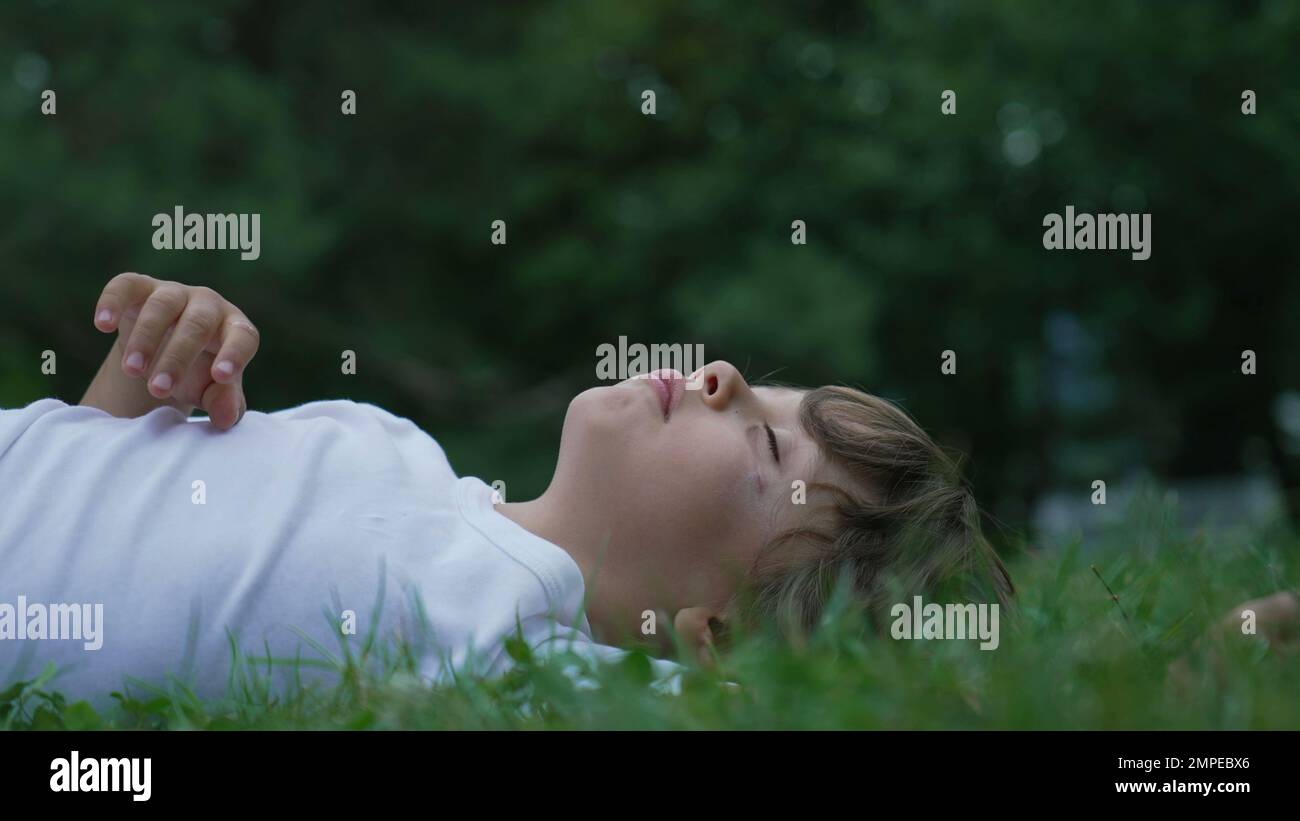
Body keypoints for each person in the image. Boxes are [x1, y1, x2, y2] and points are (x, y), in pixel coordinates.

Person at [1, 272, 1014, 710]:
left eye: (766, 449)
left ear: (712, 641)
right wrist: (156, 360)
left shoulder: (515, 647)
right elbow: (95, 478)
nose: (727, 378)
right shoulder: (391, 443)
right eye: (773, 389)